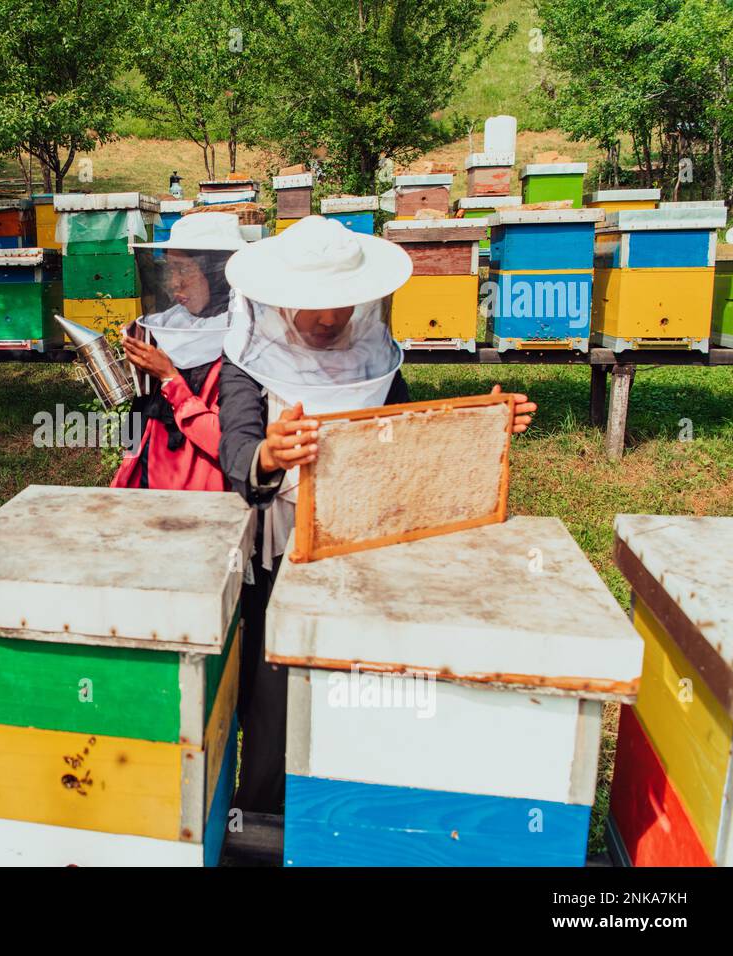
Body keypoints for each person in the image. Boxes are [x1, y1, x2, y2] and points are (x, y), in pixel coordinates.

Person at [218, 215, 537, 813]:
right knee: (275, 701)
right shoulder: (245, 360)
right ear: (281, 302)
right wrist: (269, 453)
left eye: (341, 304)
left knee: (358, 691)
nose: (329, 319)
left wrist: (477, 426)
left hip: (365, 548)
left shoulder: (375, 356)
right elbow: (236, 452)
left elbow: (402, 440)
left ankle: (346, 814)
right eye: (314, 306)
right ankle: (259, 825)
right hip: (281, 553)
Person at [111, 212, 246, 491]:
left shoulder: (245, 343)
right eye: (170, 269)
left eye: (184, 270)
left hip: (203, 497)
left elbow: (231, 445)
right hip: (153, 478)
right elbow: (143, 425)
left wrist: (169, 378)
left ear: (218, 273)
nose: (174, 284)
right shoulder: (172, 323)